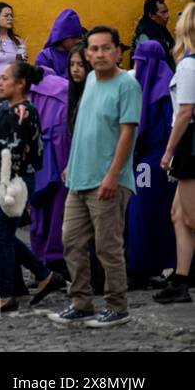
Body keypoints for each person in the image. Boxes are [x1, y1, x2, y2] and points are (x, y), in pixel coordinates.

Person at [52, 26, 140, 329]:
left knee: (108, 247)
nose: (100, 54)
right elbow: (86, 128)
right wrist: (71, 165)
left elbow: (127, 133)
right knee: (71, 242)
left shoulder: (127, 85)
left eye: (106, 48)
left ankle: (118, 306)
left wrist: (113, 176)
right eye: (94, 49)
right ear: (87, 53)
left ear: (117, 51)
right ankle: (81, 303)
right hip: (79, 178)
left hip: (108, 181)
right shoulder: (89, 79)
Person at [0, 62, 64, 314]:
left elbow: (17, 147)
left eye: (4, 78)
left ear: (20, 83)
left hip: (17, 180)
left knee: (1, 234)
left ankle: (7, 294)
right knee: (1, 233)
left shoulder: (26, 110)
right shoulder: (3, 109)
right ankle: (43, 276)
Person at [126, 40, 176, 288]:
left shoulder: (163, 90)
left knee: (147, 213)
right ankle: (142, 265)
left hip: (158, 160)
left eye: (140, 61)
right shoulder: (142, 87)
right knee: (140, 214)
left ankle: (147, 266)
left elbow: (169, 126)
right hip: (142, 158)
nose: (136, 66)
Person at [158, 3, 195, 303]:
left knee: (191, 217)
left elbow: (184, 112)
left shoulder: (188, 65)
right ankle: (182, 279)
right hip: (189, 140)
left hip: (188, 143)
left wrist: (168, 152)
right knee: (178, 214)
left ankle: (183, 280)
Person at [27, 61, 72, 277]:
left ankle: (40, 258)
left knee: (39, 207)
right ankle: (56, 257)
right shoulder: (64, 89)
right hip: (62, 150)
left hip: (38, 152)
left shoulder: (30, 92)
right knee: (59, 207)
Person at [36, 8, 85, 78]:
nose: (78, 41)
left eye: (79, 37)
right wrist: (69, 74)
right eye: (73, 37)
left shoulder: (81, 53)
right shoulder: (44, 57)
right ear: (62, 36)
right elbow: (45, 84)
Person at [132, 0, 175, 69]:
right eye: (163, 12)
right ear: (152, 15)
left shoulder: (160, 25)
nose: (167, 16)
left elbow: (171, 44)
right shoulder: (145, 32)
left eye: (167, 11)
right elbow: (151, 60)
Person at [0, 2, 27, 72]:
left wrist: (22, 58)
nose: (10, 18)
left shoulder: (18, 41)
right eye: (6, 15)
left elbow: (23, 64)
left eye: (11, 15)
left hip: (13, 80)